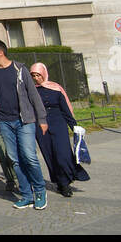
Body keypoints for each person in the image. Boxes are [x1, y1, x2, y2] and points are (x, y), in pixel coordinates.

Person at [0, 39, 49, 210]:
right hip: (4, 122)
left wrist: (42, 119)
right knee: (15, 160)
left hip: (24, 120)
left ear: (1, 52)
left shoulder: (20, 69)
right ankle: (26, 195)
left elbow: (33, 95)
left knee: (29, 157)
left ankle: (40, 191)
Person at [30, 63, 90, 197]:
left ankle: (68, 177)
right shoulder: (32, 91)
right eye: (33, 76)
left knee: (63, 154)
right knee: (49, 154)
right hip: (41, 127)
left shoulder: (55, 88)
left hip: (59, 124)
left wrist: (74, 126)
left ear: (44, 74)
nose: (36, 78)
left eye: (38, 75)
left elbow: (65, 109)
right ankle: (61, 183)